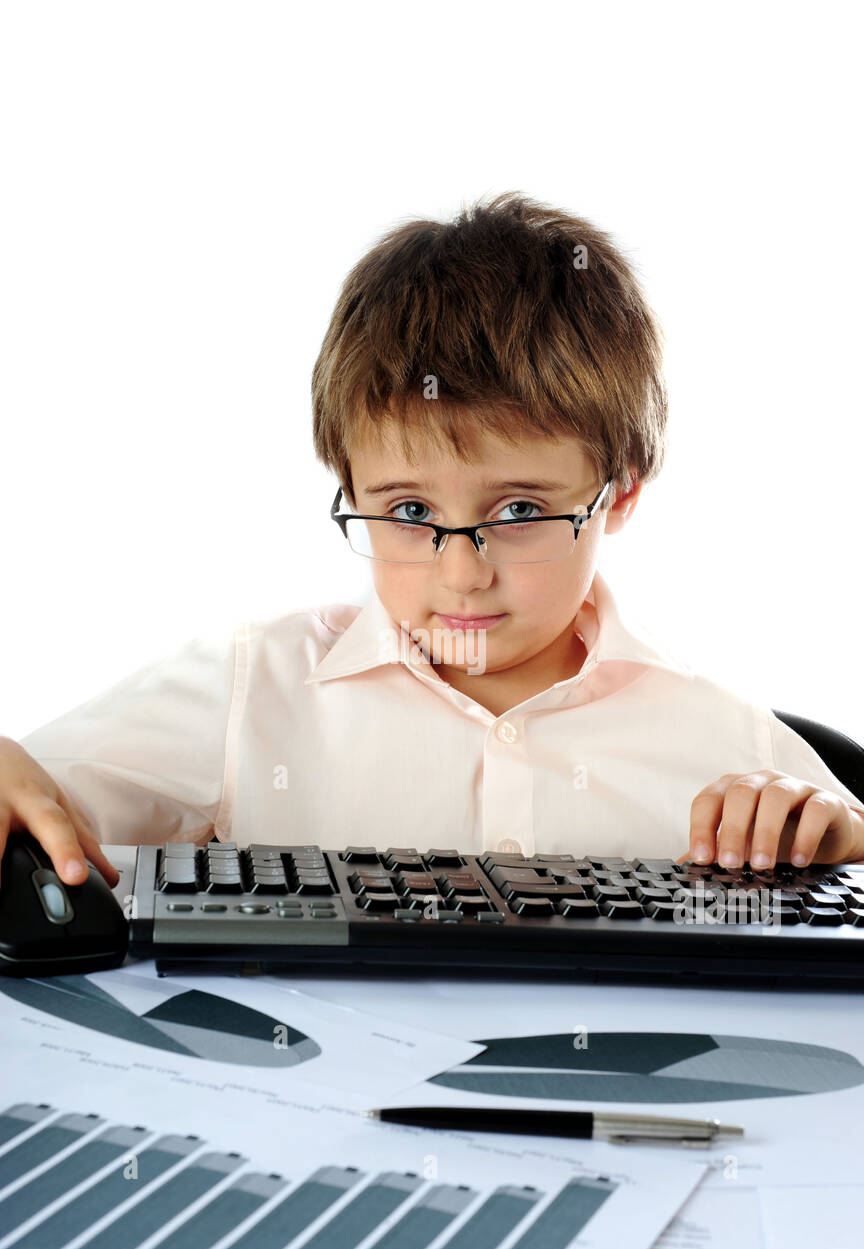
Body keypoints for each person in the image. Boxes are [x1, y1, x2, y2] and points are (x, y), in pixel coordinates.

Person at [2, 191, 863, 892]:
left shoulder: (727, 741)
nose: (461, 577)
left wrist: (843, 842)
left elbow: (841, 853)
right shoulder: (249, 690)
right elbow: (34, 793)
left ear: (620, 493)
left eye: (521, 511)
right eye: (409, 513)